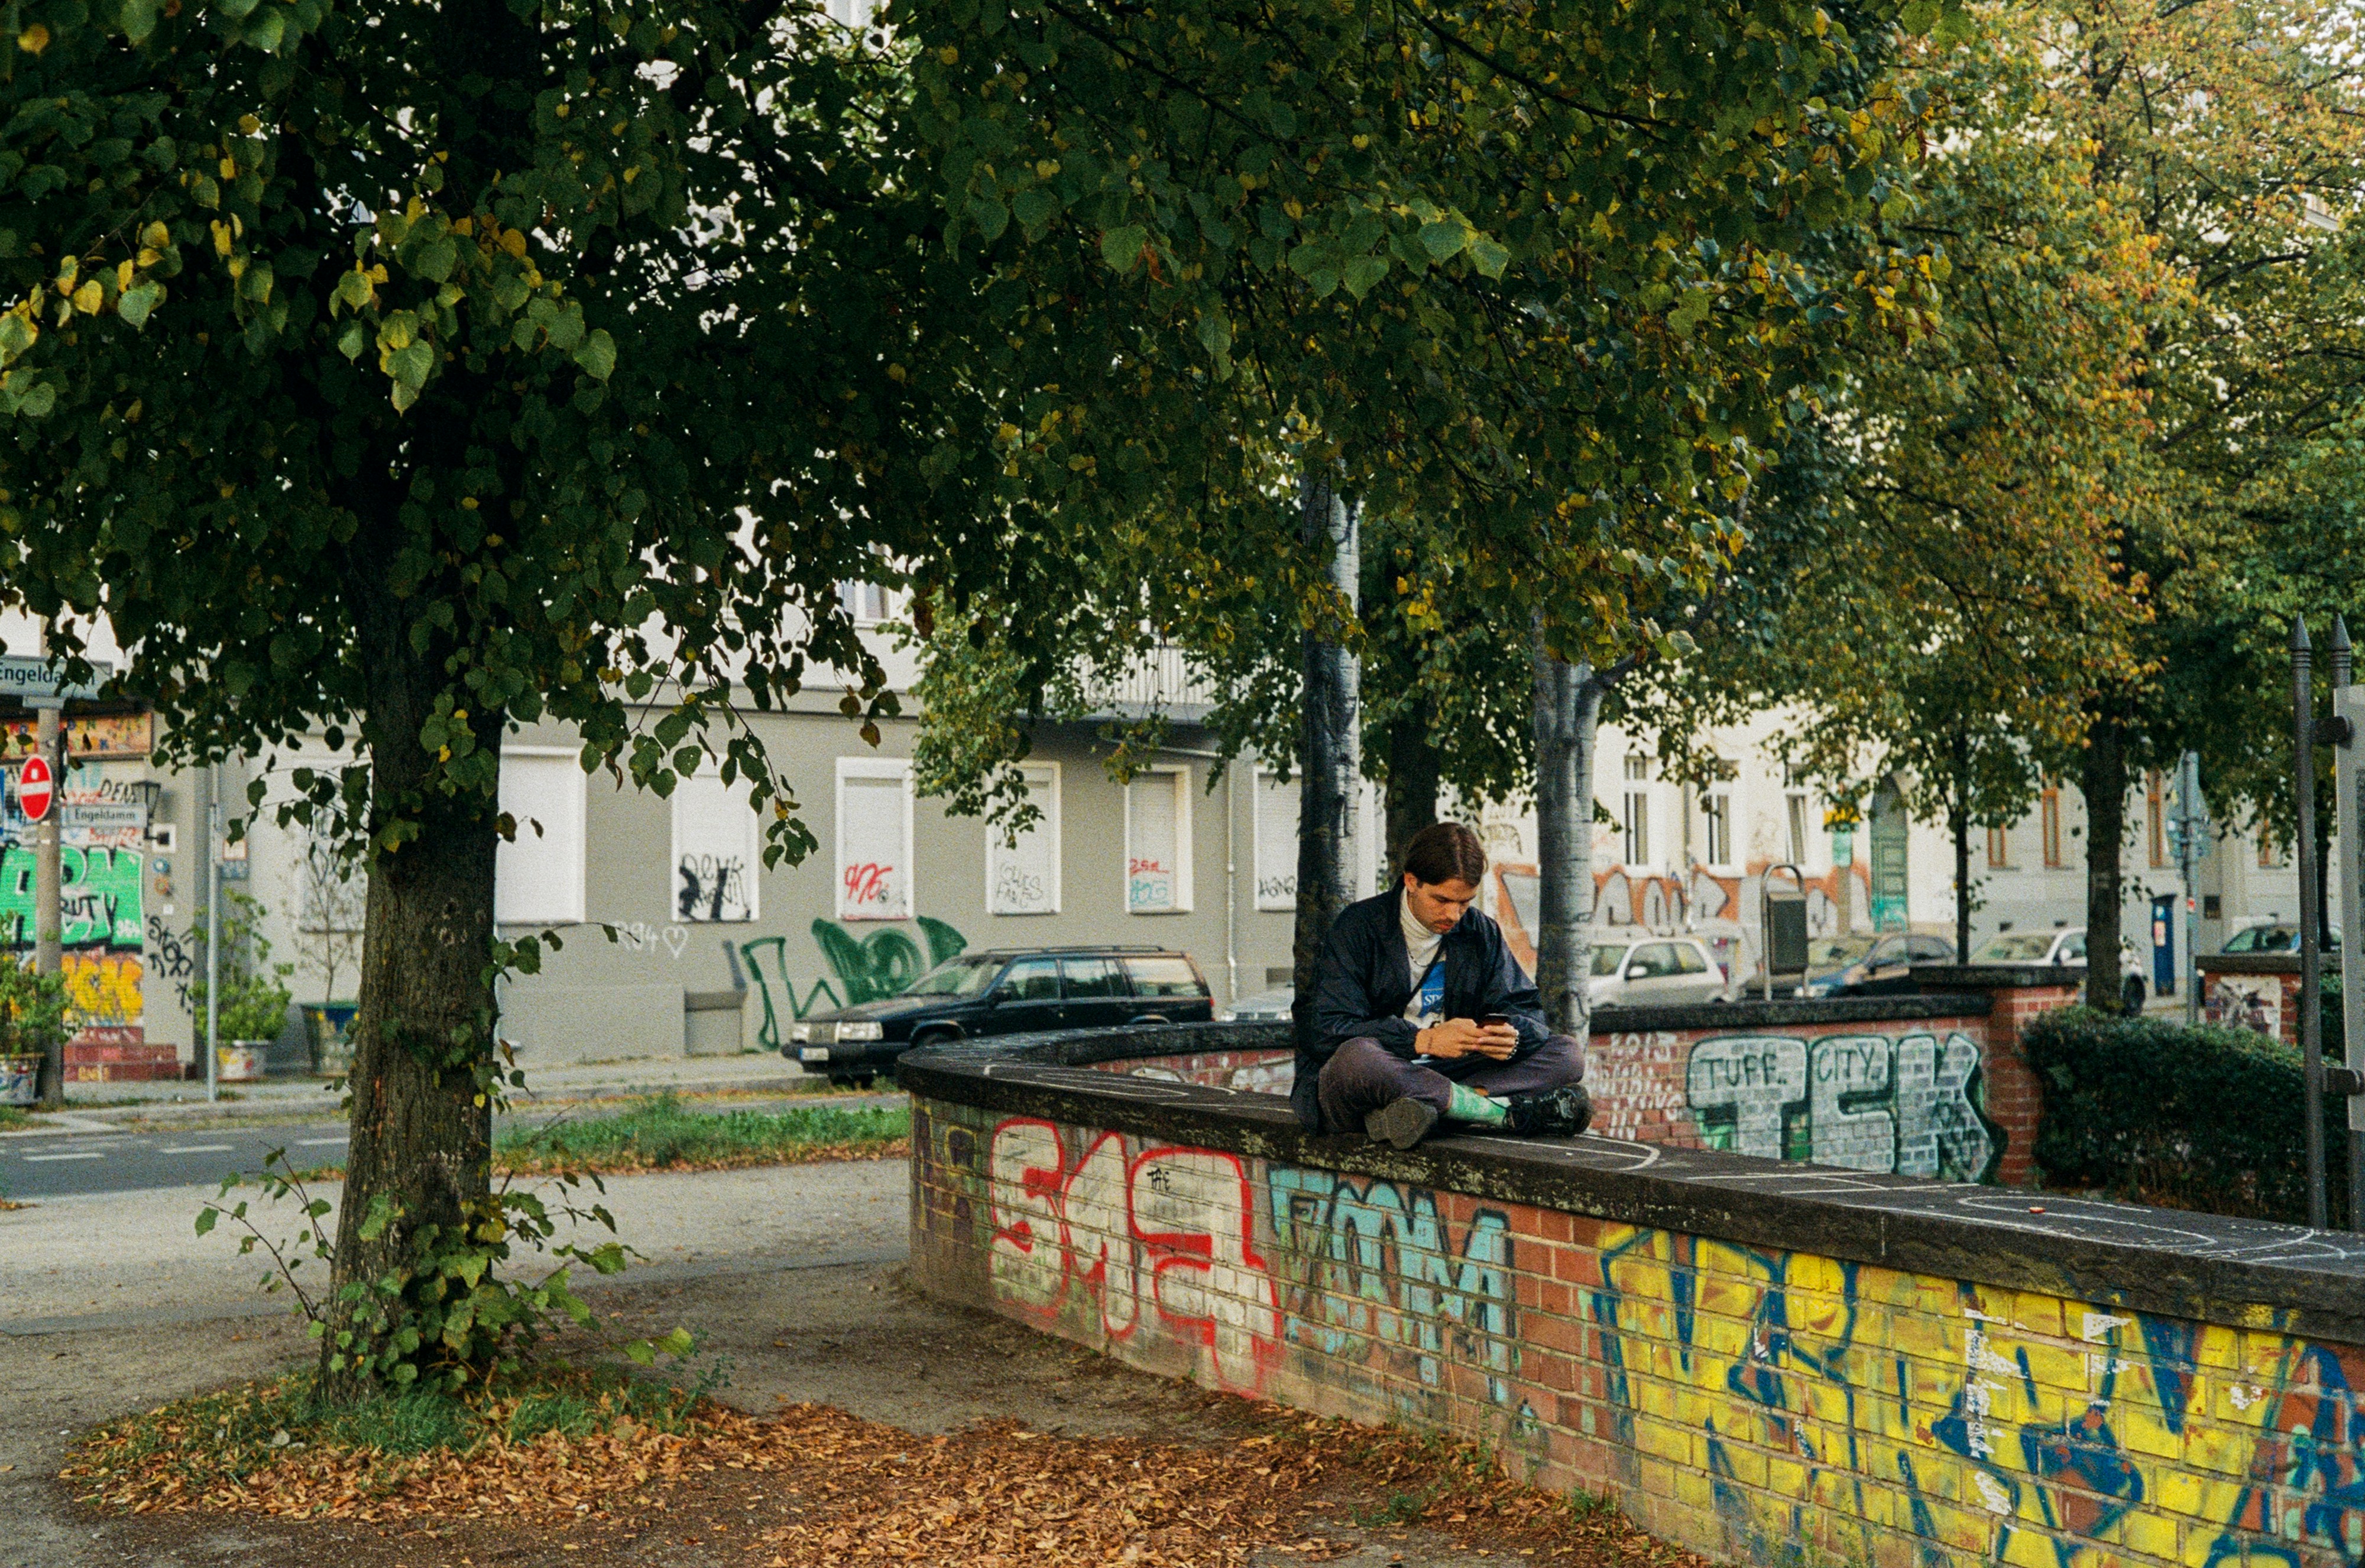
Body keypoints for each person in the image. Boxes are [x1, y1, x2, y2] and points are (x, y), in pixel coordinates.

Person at [1292, 821, 1591, 1148]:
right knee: (1357, 1058)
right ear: (1411, 881)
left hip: (1446, 1075)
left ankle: (1435, 1109)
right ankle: (1496, 1113)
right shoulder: (1359, 927)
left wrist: (1515, 1035)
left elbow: (1526, 1010)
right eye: (1442, 900)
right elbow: (1325, 1031)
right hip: (1374, 1078)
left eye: (1465, 902)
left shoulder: (1480, 932)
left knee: (1568, 1054)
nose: (1454, 914)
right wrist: (1424, 1040)